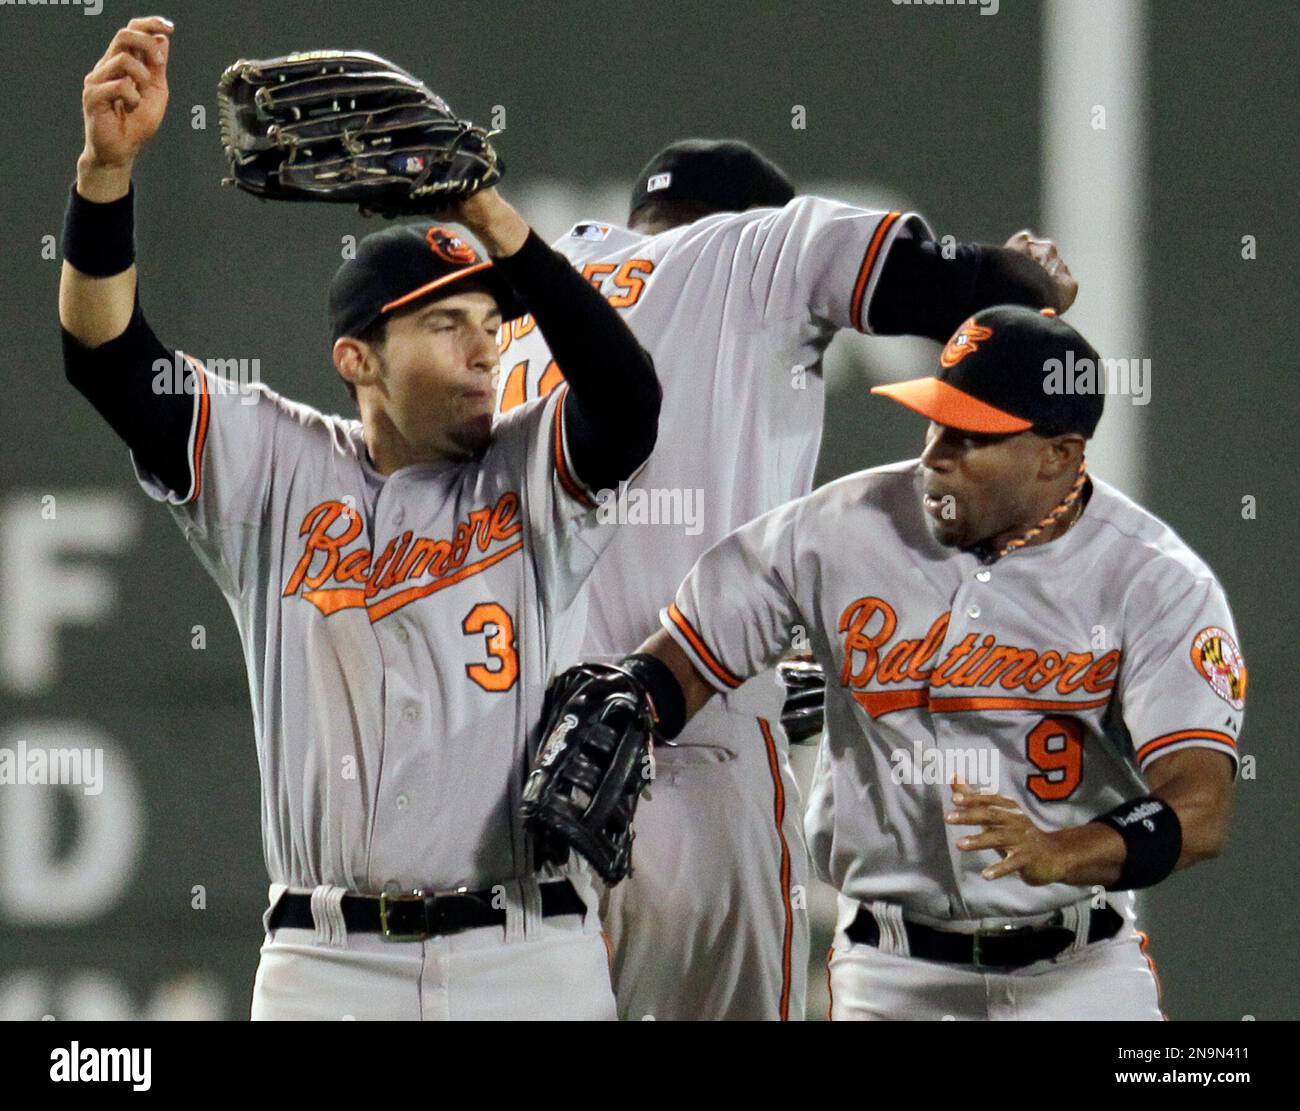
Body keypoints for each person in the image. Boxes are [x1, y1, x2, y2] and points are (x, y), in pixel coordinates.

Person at [59, 15, 660, 1020]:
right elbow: (106, 356)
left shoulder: (534, 468)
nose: (483, 352)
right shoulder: (272, 466)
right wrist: (105, 170)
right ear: (357, 359)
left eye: (490, 325)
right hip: (328, 964)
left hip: (526, 951)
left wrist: (485, 209)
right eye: (444, 324)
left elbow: (628, 402)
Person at [496, 138, 1077, 1019]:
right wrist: (1027, 277)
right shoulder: (758, 244)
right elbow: (949, 285)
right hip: (695, 747)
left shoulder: (540, 295)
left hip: (520, 765)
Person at [618, 305, 1242, 1020]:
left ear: (1059, 456)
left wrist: (1063, 851)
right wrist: (635, 703)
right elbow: (685, 657)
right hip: (892, 976)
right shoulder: (838, 529)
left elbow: (1199, 807)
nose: (938, 453)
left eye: (971, 435)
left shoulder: (1155, 579)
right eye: (935, 421)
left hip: (1080, 978)